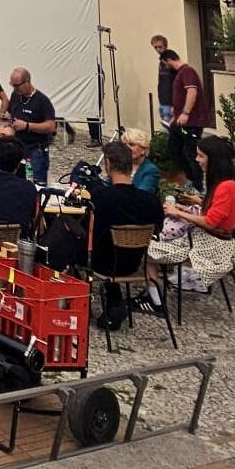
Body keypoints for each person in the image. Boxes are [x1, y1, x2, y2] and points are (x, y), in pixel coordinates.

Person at [141, 135, 235, 313]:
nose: (197, 160)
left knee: (147, 250)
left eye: (201, 155)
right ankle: (154, 294)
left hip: (212, 245)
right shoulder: (223, 184)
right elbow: (216, 212)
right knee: (155, 243)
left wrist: (178, 212)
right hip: (206, 240)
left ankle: (155, 302)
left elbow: (211, 222)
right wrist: (197, 203)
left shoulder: (226, 187)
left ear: (213, 159)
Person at [88, 137, 163, 329]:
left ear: (108, 164)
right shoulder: (150, 201)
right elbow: (158, 230)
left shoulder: (102, 197)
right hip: (134, 263)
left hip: (103, 263)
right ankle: (114, 300)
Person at [6, 67, 57, 186]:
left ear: (27, 82)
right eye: (12, 85)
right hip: (17, 148)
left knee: (36, 185)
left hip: (35, 150)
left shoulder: (42, 101)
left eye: (17, 85)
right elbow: (10, 111)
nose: (15, 88)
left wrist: (27, 126)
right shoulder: (15, 95)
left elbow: (51, 126)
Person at [162, 50, 205, 188]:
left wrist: (186, 112)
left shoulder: (187, 71)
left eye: (165, 64)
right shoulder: (180, 74)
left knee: (190, 152)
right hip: (180, 121)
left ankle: (196, 183)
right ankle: (188, 178)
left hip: (191, 121)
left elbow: (192, 91)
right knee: (174, 149)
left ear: (168, 60)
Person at [121, 129, 161, 194]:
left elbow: (142, 194)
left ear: (144, 149)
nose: (127, 148)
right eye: (124, 145)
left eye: (131, 145)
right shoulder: (120, 165)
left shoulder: (151, 170)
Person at [151, 34, 172, 124]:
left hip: (169, 101)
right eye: (155, 47)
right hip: (163, 99)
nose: (158, 49)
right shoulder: (162, 62)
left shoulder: (169, 60)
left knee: (169, 126)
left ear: (165, 46)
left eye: (160, 47)